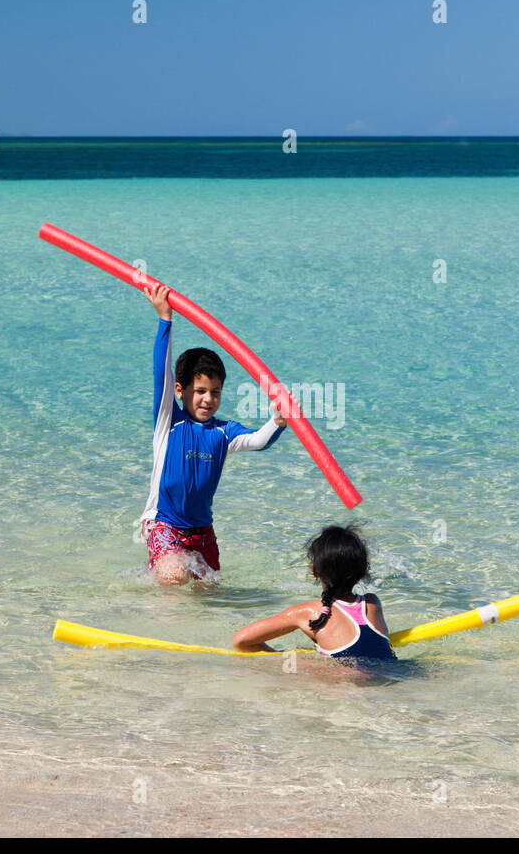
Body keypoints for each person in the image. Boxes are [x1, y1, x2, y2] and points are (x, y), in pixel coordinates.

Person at [141, 283, 286, 583]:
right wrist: (165, 319)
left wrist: (278, 420)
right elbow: (161, 371)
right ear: (180, 390)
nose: (208, 399)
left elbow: (259, 440)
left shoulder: (224, 433)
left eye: (215, 392)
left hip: (203, 531)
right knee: (173, 577)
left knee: (209, 593)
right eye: (200, 391)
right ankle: (159, 618)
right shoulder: (168, 421)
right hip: (163, 523)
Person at [232, 524, 397, 660]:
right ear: (363, 571)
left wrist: (283, 658)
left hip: (346, 686)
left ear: (314, 571)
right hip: (396, 673)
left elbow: (241, 641)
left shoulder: (308, 612)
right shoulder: (373, 603)